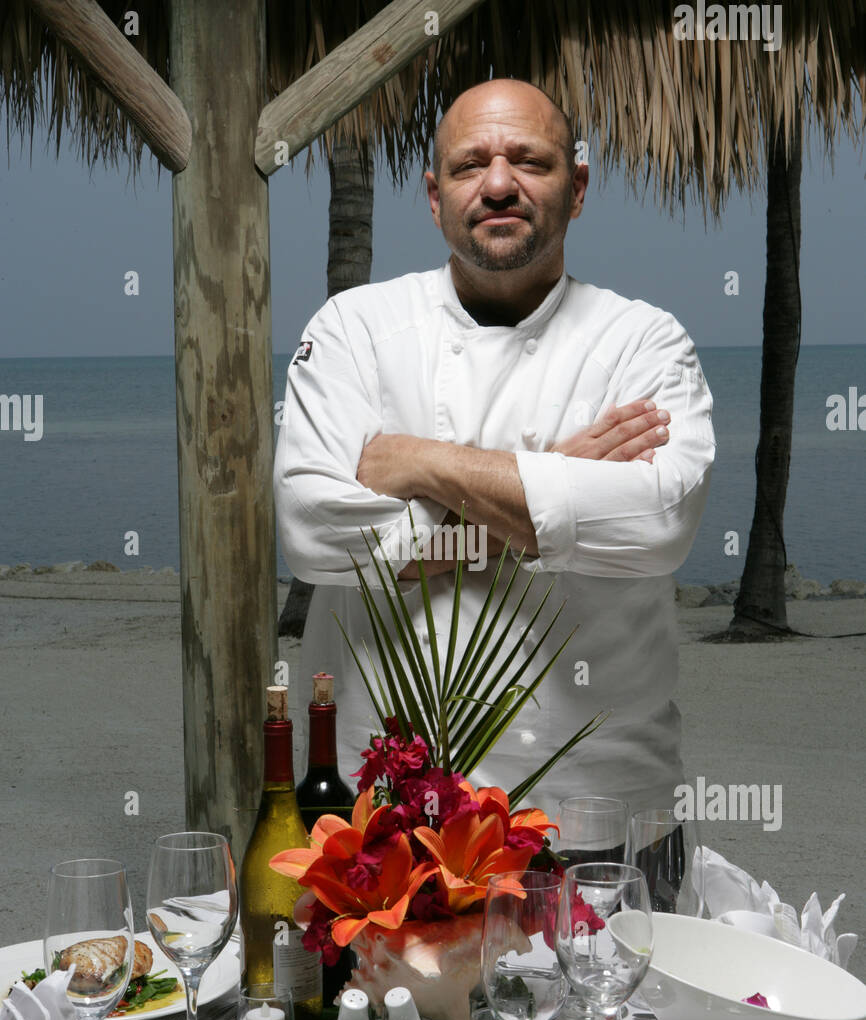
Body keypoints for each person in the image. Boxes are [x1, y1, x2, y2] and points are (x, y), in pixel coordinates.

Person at [274, 79, 715, 827]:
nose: (500, 183)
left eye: (530, 162)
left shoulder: (644, 341)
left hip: (600, 811)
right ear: (434, 194)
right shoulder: (355, 328)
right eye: (471, 163)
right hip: (379, 811)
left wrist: (416, 460)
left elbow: (658, 526)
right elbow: (313, 536)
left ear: (577, 188)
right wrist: (556, 489)